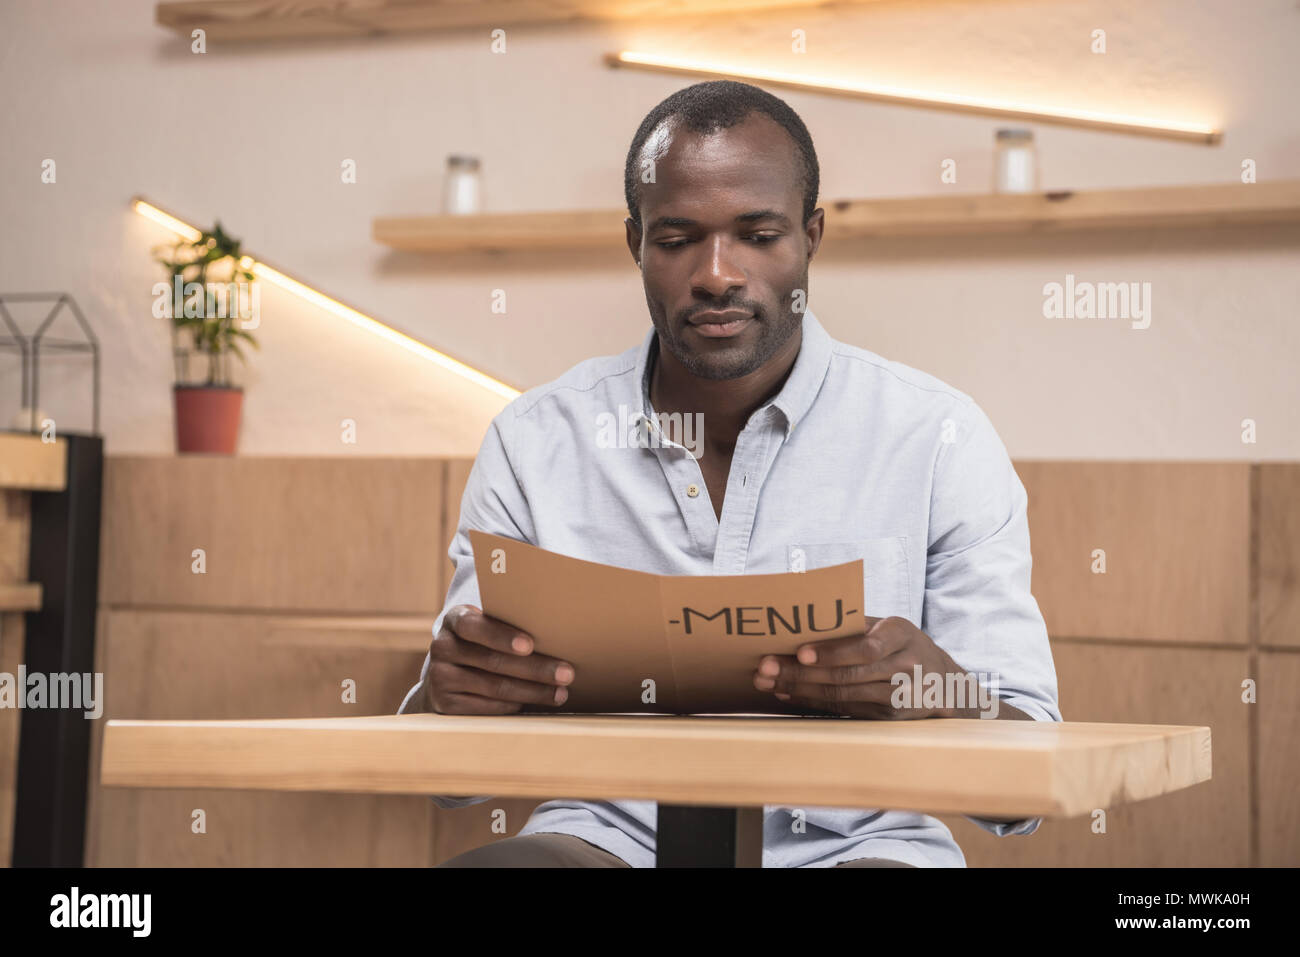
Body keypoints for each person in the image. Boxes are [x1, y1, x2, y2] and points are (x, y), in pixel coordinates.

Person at [398, 80, 1061, 868]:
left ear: (811, 237)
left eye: (758, 234)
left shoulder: (936, 436)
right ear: (634, 243)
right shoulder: (535, 439)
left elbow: (1030, 782)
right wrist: (450, 697)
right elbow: (451, 777)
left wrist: (945, 694)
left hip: (862, 847)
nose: (717, 274)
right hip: (603, 838)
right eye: (677, 238)